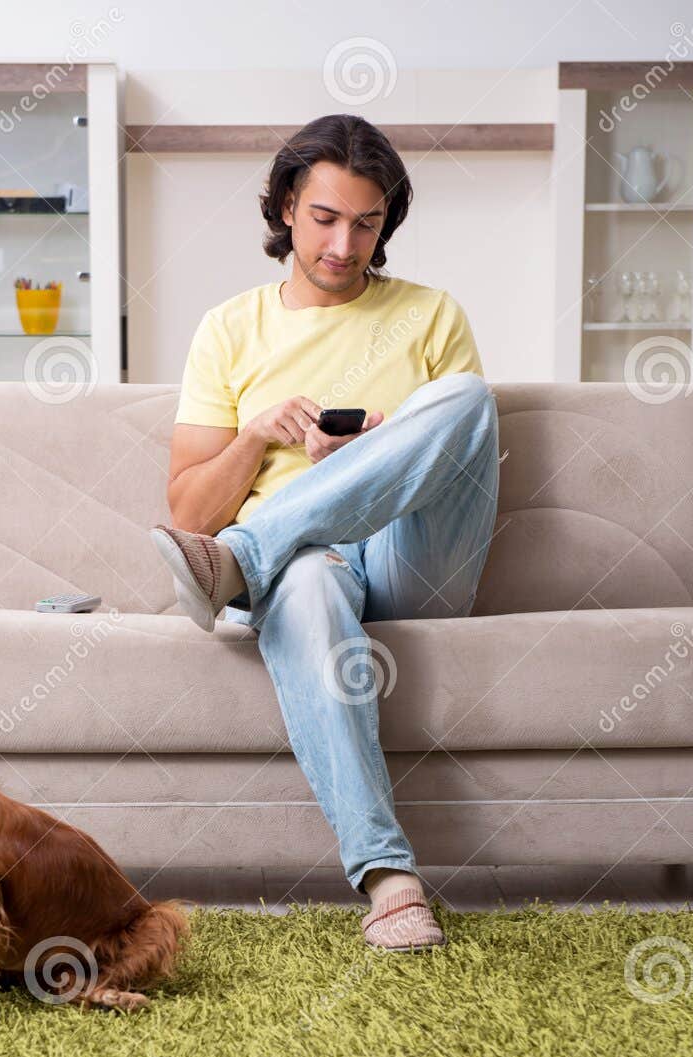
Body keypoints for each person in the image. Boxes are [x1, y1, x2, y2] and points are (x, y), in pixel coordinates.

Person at [148, 113, 501, 952]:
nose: (346, 245)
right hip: (310, 572)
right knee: (303, 575)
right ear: (282, 208)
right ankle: (389, 881)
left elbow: (460, 453)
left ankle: (247, 559)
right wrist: (258, 436)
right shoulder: (229, 329)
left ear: (388, 223)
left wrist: (382, 454)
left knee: (464, 400)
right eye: (325, 218)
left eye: (367, 223)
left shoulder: (431, 315)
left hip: (412, 559)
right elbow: (188, 515)